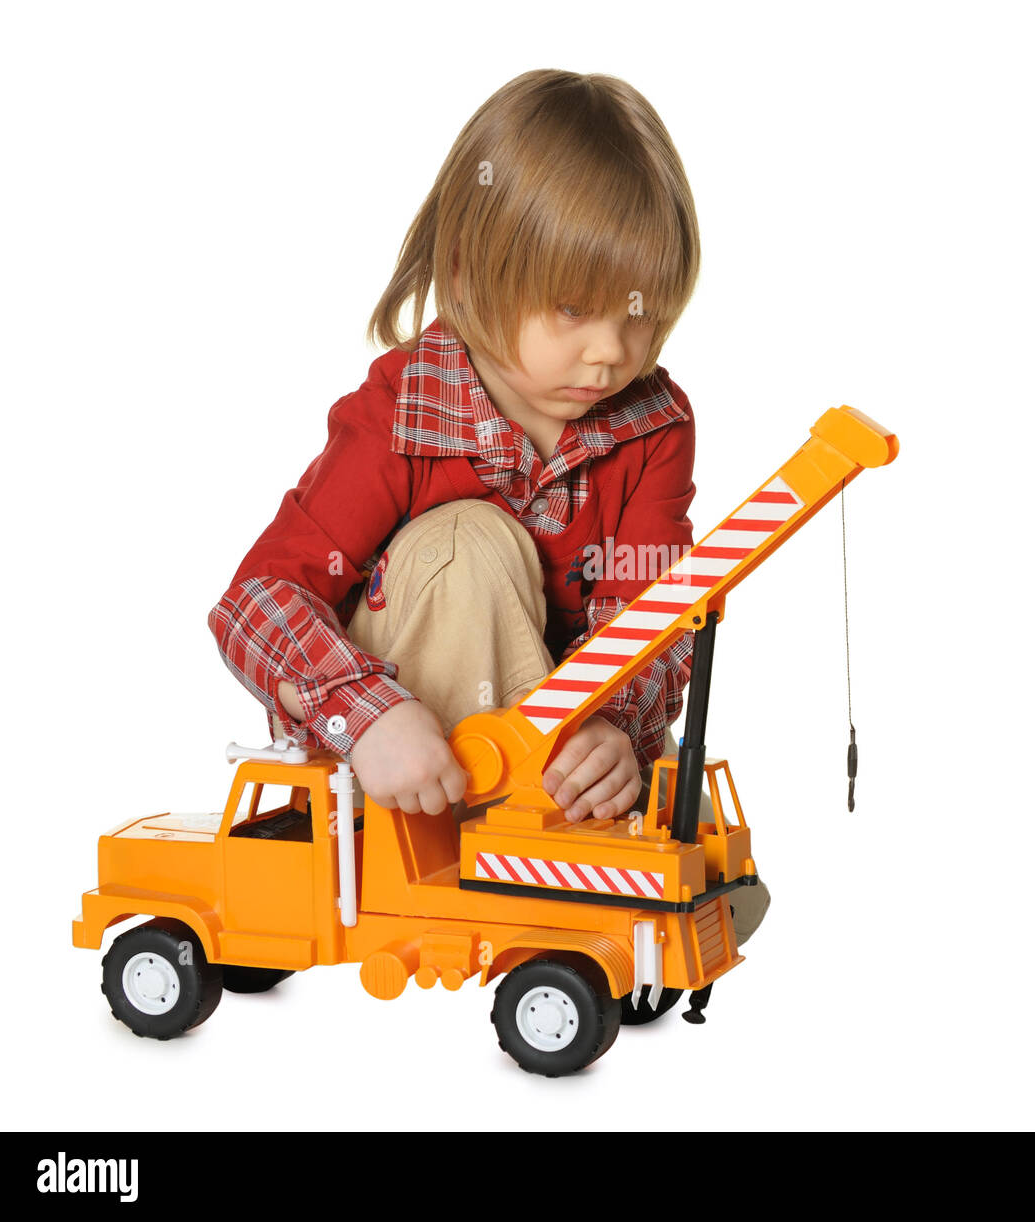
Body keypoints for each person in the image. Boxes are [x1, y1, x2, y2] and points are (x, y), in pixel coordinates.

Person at [207, 68, 769, 943]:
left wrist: (616, 730)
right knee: (468, 540)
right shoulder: (403, 410)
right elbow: (256, 603)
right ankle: (508, 839)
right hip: (414, 745)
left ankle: (566, 817)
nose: (612, 352)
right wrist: (370, 719)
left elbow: (651, 612)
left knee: (647, 652)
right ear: (473, 273)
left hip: (544, 735)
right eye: (573, 309)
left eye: (644, 314)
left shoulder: (655, 423)